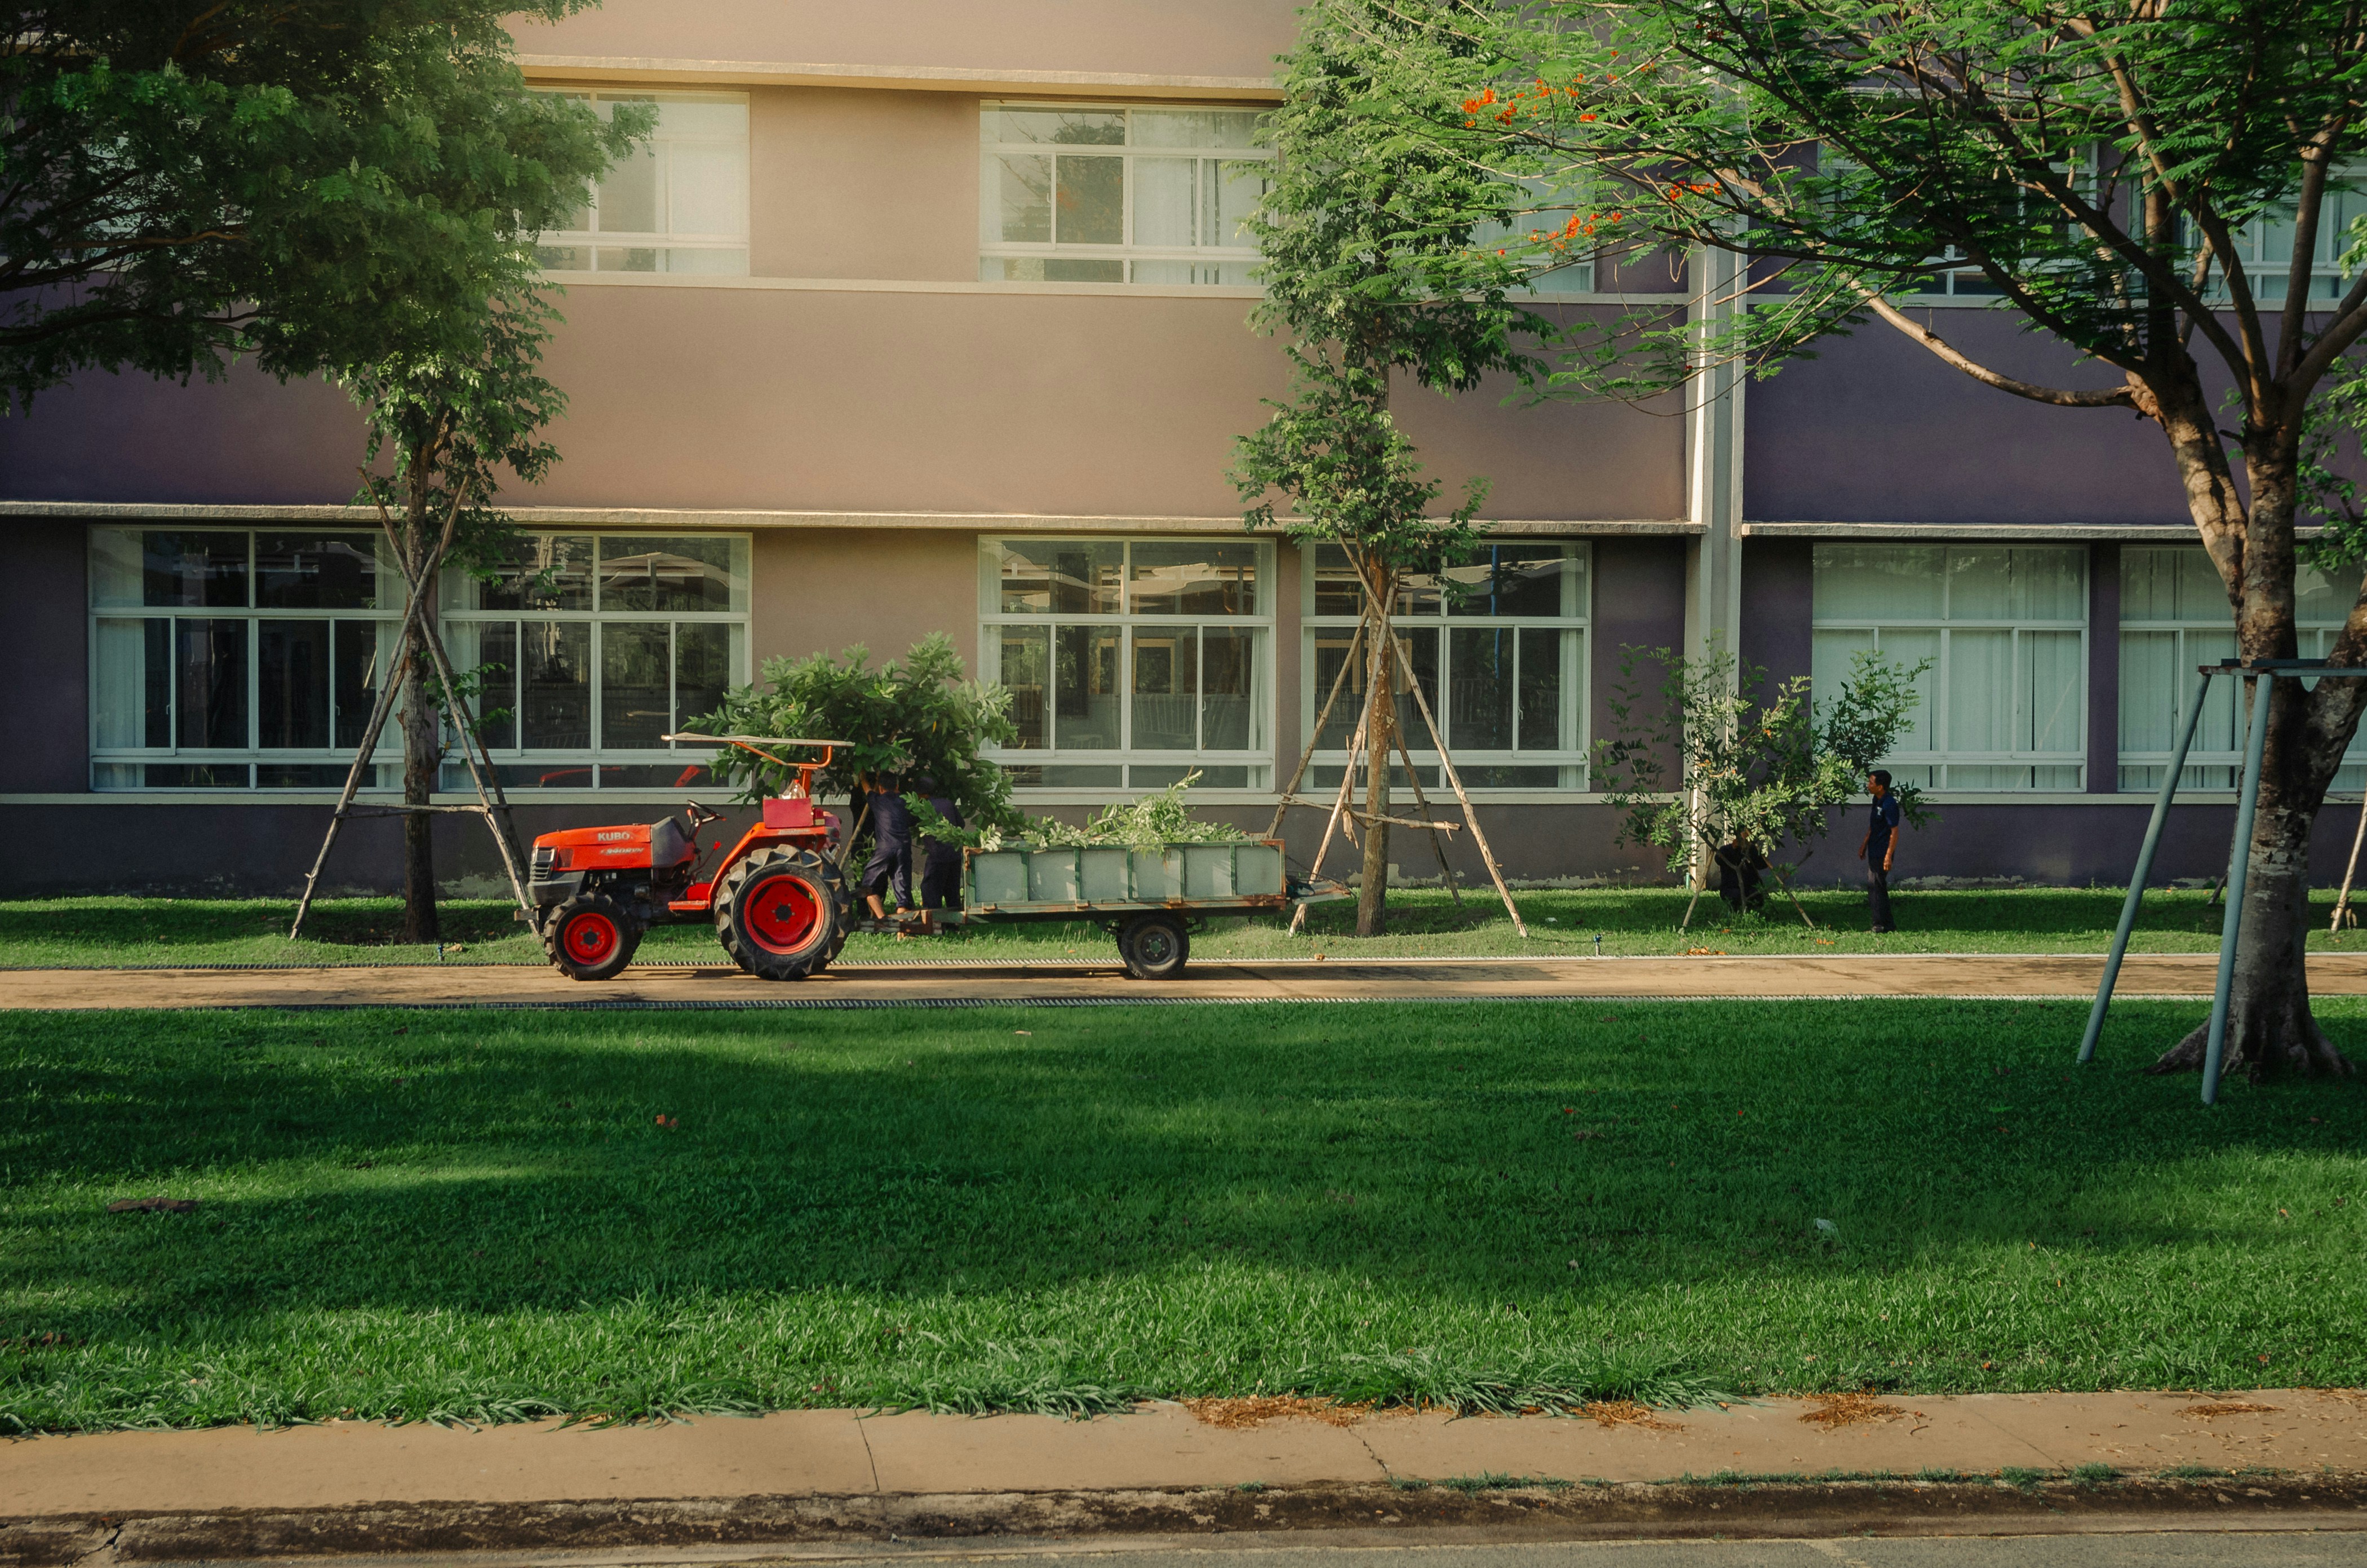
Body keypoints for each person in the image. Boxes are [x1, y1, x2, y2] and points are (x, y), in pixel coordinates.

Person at [853, 773, 915, 920]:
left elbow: (868, 790)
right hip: (903, 848)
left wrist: (862, 778)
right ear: (898, 787)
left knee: (868, 886)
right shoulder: (906, 802)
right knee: (903, 893)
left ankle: (883, 920)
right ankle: (902, 930)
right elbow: (913, 820)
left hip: (884, 850)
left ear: (880, 788)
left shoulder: (877, 800)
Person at [1858, 769, 1901, 933]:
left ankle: (1879, 925)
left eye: (1871, 783)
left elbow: (1894, 832)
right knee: (1878, 886)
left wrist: (1888, 856)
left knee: (1875, 886)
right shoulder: (1876, 800)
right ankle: (1888, 924)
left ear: (1881, 787)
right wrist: (1864, 844)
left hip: (1883, 851)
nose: (1868, 786)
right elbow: (1873, 825)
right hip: (1874, 848)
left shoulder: (1889, 804)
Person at [917, 781, 966, 912]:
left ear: (921, 795)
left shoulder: (923, 807)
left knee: (931, 888)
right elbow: (961, 824)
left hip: (937, 854)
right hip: (955, 854)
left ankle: (934, 922)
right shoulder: (948, 803)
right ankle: (955, 922)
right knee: (952, 890)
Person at [1716, 833, 1768, 913]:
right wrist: (1734, 848)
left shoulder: (1751, 850)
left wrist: (1755, 851)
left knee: (1758, 895)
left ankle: (1753, 913)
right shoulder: (1726, 850)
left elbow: (1762, 865)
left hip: (1750, 888)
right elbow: (1718, 859)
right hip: (1731, 888)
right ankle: (1735, 911)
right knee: (1736, 895)